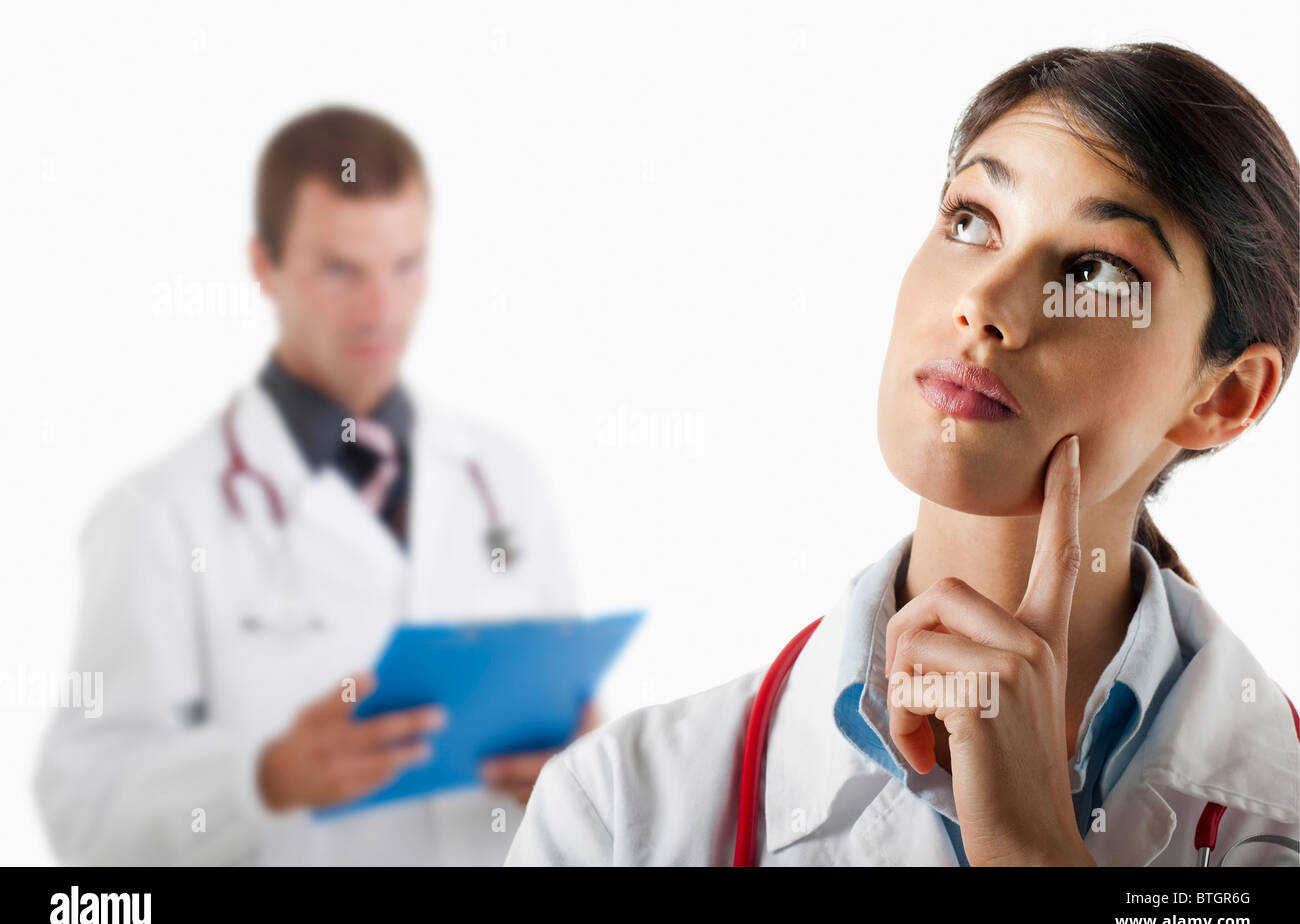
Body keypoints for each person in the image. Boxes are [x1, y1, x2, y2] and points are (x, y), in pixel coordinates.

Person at [506, 43, 1300, 866]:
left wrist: (1031, 849)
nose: (984, 302)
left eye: (1093, 270)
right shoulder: (617, 814)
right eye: (972, 221)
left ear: (1225, 397)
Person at [36, 105, 585, 865]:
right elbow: (82, 811)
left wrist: (577, 772)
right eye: (341, 271)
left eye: (406, 265)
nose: (382, 309)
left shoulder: (503, 478)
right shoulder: (160, 515)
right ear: (263, 266)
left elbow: (562, 735)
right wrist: (262, 779)